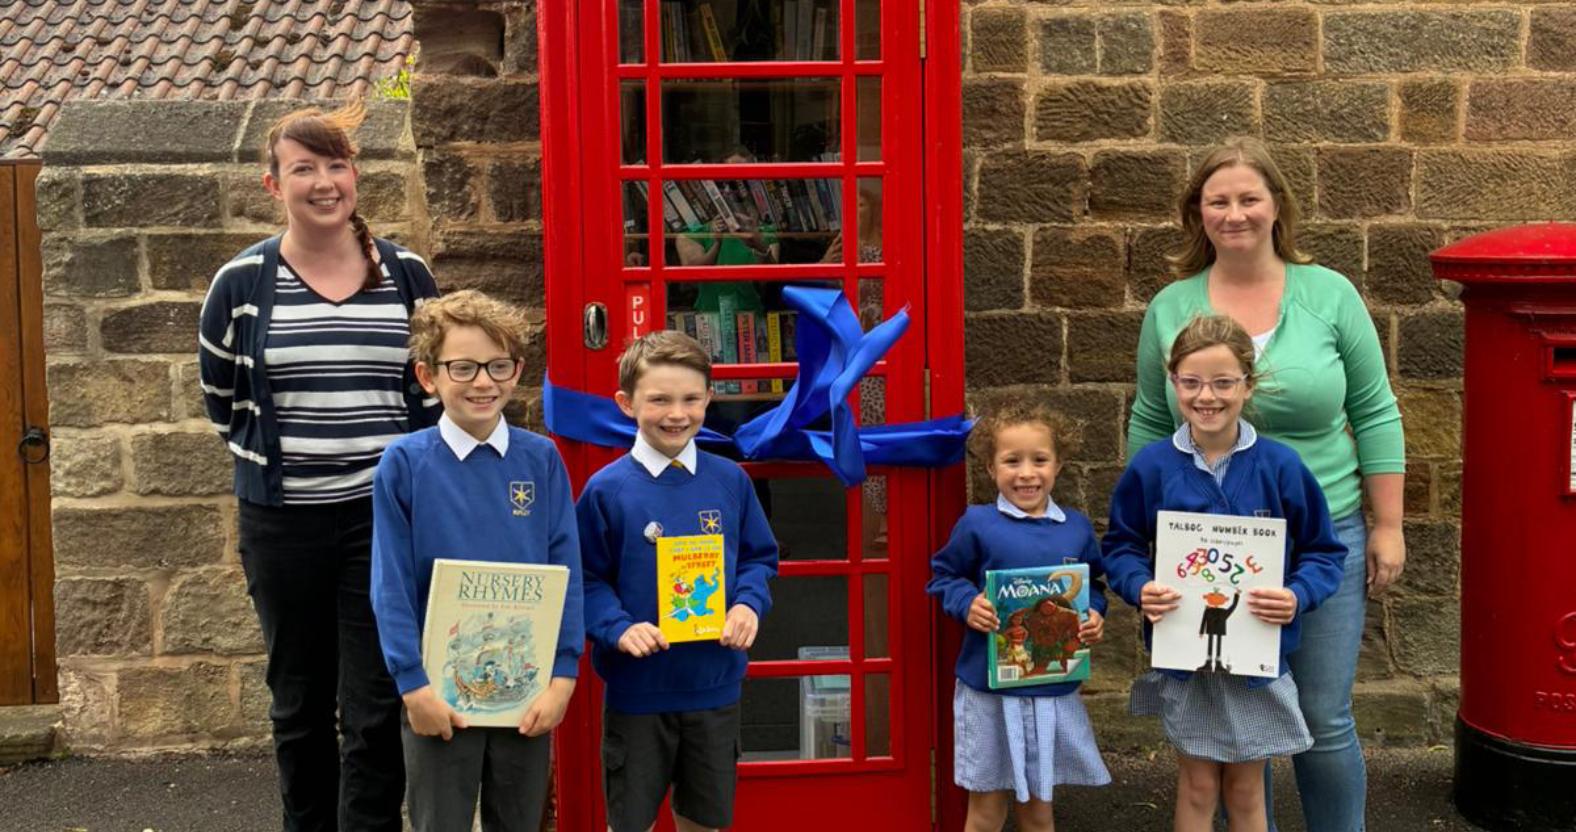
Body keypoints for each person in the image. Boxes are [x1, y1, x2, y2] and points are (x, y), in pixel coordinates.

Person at [1128, 137, 1406, 831]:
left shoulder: (1329, 295)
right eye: (1217, 200)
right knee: (1237, 724)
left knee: (1321, 714)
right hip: (1208, 541)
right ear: (1198, 212)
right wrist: (1156, 542)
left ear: (1277, 206)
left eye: (1249, 198)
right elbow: (1150, 419)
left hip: (1324, 536)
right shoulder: (1171, 305)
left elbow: (1374, 410)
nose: (1235, 213)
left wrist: (1388, 523)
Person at [197, 100, 437, 831]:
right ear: (274, 185)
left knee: (375, 705)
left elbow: (430, 386)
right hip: (282, 523)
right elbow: (222, 401)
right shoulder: (239, 284)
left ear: (356, 176)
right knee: (298, 702)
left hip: (381, 521)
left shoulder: (405, 274)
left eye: (337, 165)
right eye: (305, 168)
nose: (324, 182)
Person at [1105, 314, 1347, 832]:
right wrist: (1138, 586)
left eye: (1223, 382)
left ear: (1248, 384)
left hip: (1257, 662)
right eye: (1191, 382)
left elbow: (1325, 553)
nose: (1206, 396)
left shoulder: (1281, 467)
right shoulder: (1151, 466)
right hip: (1185, 663)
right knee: (1195, 786)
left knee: (1245, 789)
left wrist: (1298, 594)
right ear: (1173, 383)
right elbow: (1121, 546)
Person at [368, 291, 583, 831]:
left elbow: (567, 572)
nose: (483, 382)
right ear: (428, 376)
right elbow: (389, 584)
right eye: (462, 367)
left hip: (526, 693)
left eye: (497, 366)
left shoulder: (542, 460)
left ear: (517, 372)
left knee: (520, 821)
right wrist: (413, 686)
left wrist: (563, 676)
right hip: (438, 695)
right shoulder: (404, 464)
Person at [576, 330, 780, 832]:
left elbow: (758, 558)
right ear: (626, 404)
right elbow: (583, 578)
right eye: (659, 400)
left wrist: (747, 605)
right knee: (631, 822)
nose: (677, 413)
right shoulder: (606, 490)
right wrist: (617, 627)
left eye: (691, 399)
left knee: (704, 821)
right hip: (637, 689)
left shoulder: (730, 480)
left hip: (713, 684)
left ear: (710, 398)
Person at [926, 401, 1111, 832]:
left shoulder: (1077, 528)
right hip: (987, 689)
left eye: (1039, 460)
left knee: (1039, 813)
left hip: (1051, 689)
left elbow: (1094, 588)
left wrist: (1094, 617)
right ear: (991, 469)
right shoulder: (977, 524)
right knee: (986, 811)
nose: (1026, 473)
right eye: (1012, 461)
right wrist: (967, 603)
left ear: (1059, 465)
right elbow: (943, 576)